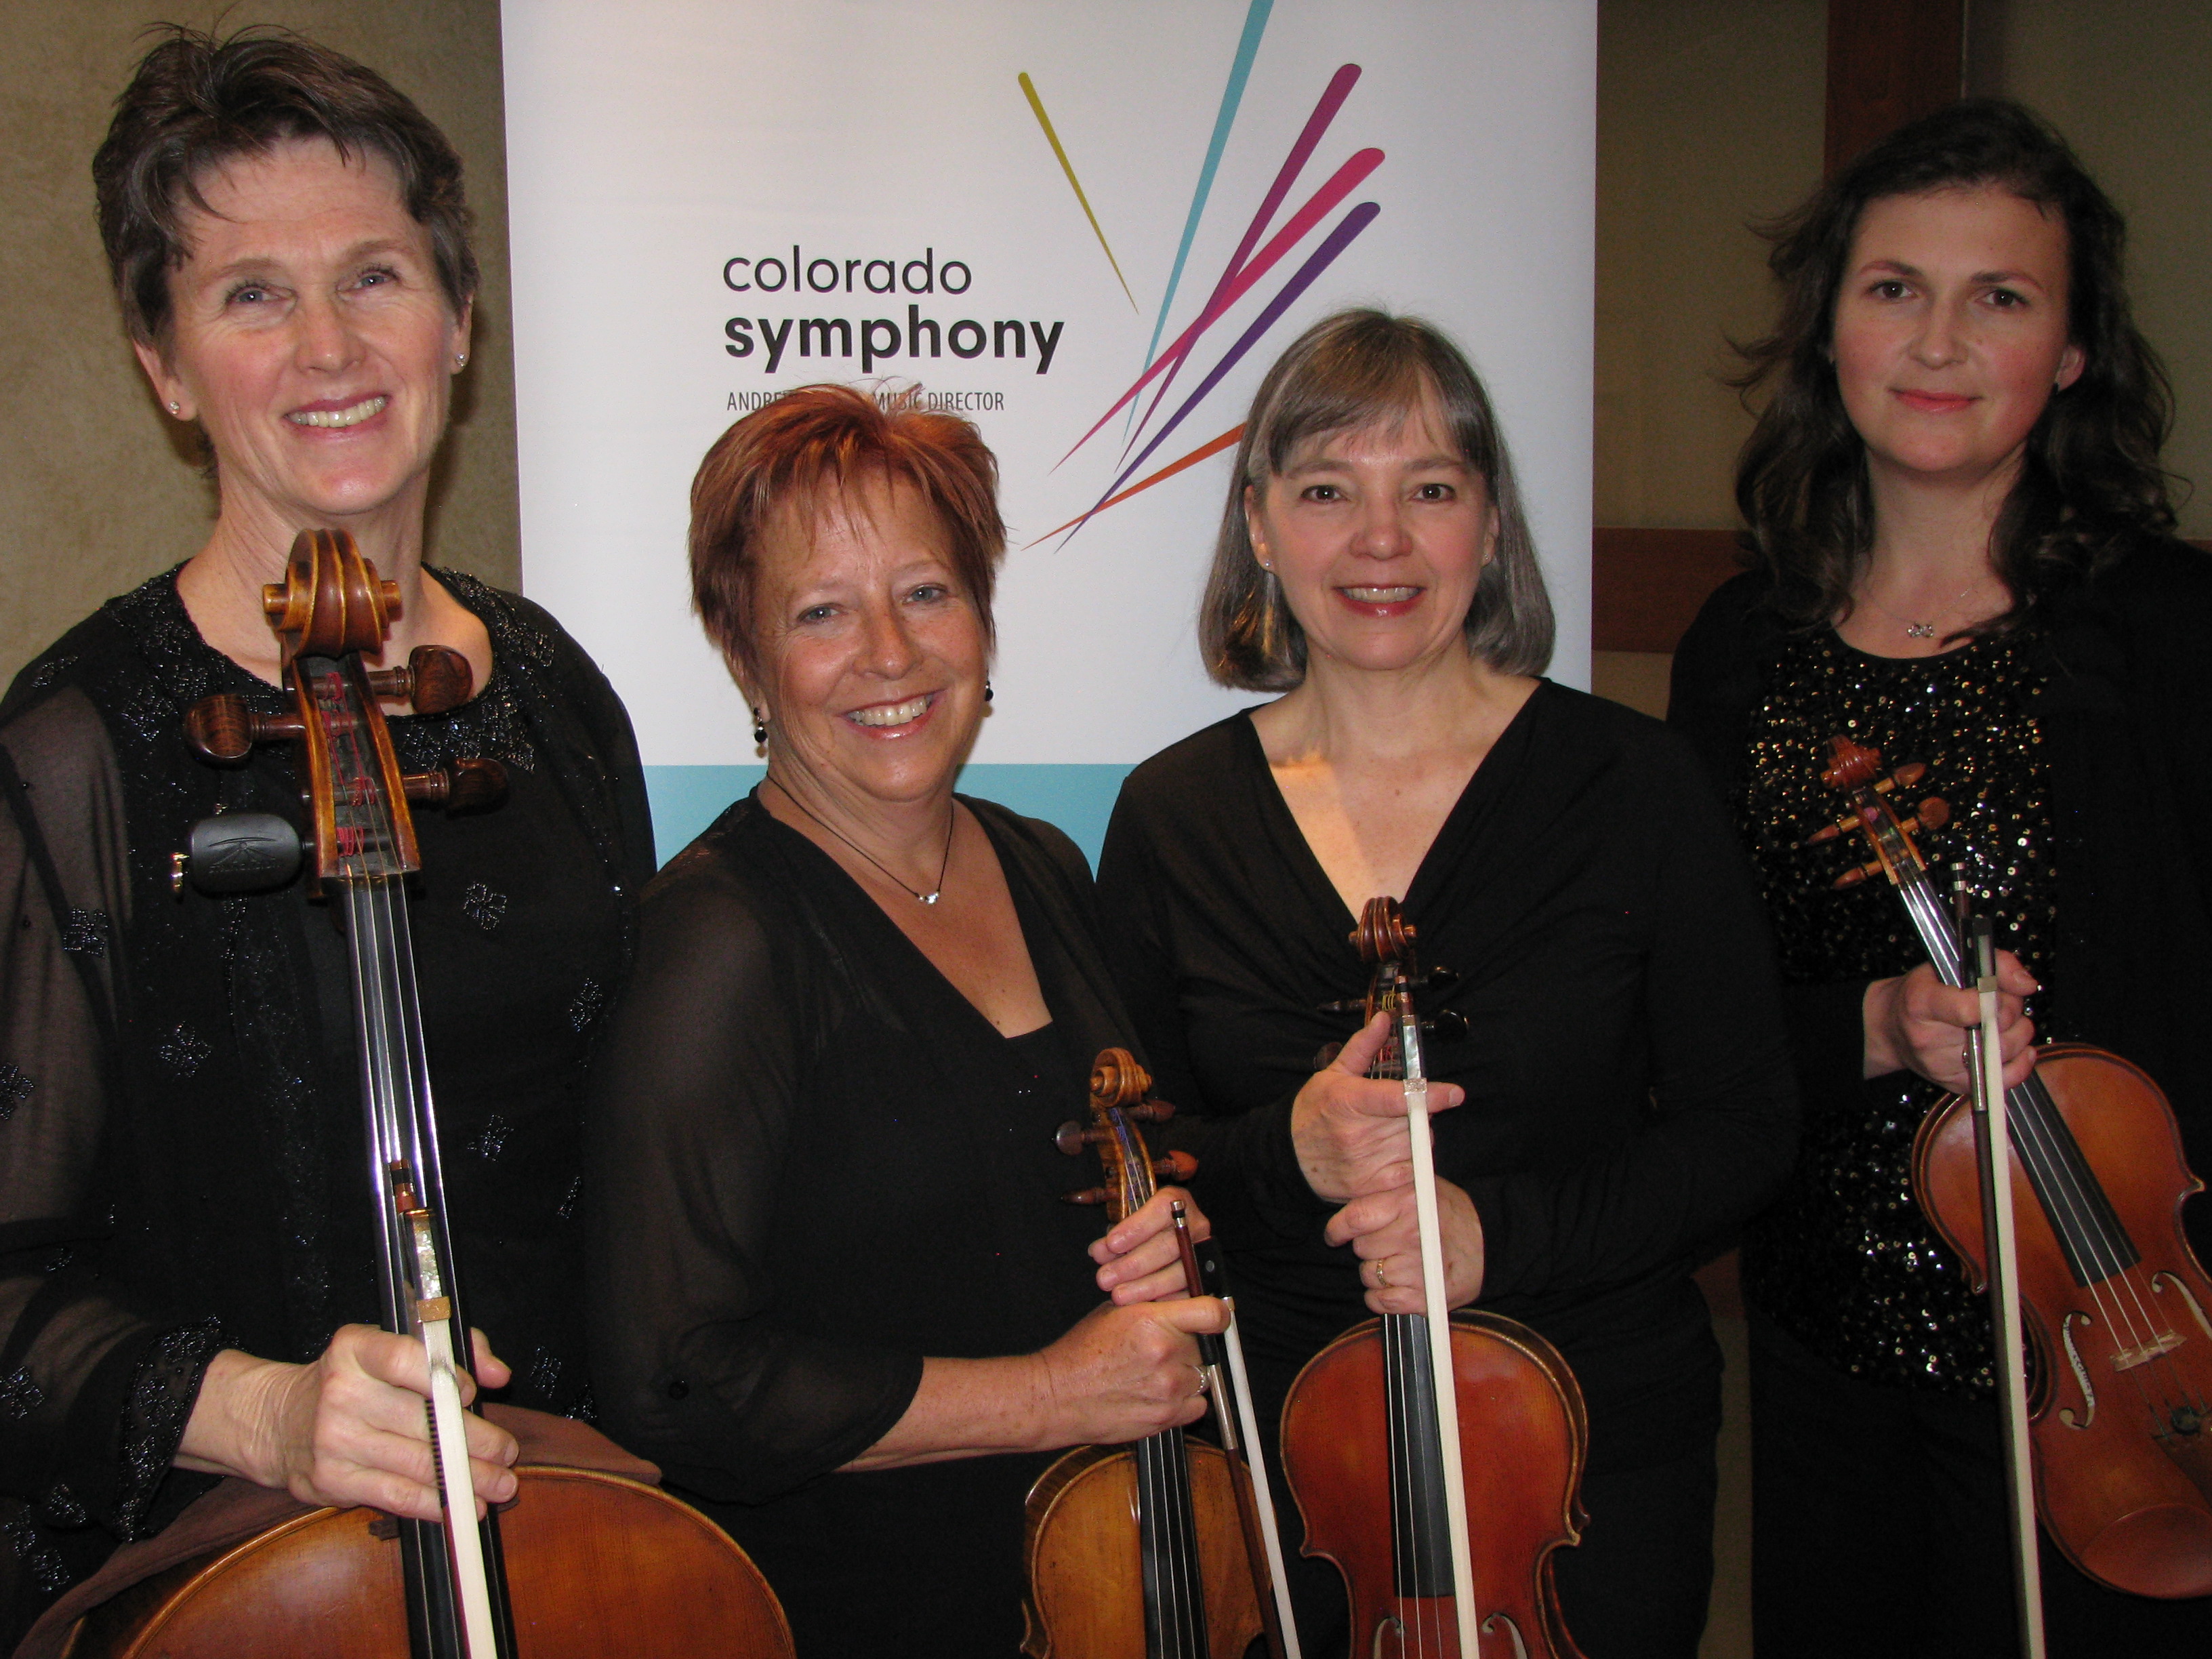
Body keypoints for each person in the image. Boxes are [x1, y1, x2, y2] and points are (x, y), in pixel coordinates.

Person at [0, 28, 653, 1644]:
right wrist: (265, 1414)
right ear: (162, 365)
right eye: (249, 296)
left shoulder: (557, 690)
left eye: (374, 275)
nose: (327, 345)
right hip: (238, 1588)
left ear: (457, 322)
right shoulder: (78, 747)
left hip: (587, 1564)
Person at [1093, 308, 1799, 1658]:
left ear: (1489, 521)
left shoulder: (1633, 786)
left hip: (1589, 1453)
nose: (1381, 539)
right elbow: (1152, 1155)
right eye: (1325, 492)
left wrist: (1499, 1238)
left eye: (1430, 489)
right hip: (1293, 1466)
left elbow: (1748, 1130)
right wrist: (1281, 1151)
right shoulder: (1174, 817)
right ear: (1257, 524)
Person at [1668, 98, 2212, 1656]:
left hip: (2124, 1349)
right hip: (1826, 1343)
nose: (1941, 340)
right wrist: (1871, 1025)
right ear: (1829, 327)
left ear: (2075, 353)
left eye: (2004, 298)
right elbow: (1695, 1022)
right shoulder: (1742, 651)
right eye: (1895, 287)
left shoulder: (2173, 635)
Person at [583, 384, 1229, 1657]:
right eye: (821, 612)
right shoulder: (720, 940)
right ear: (745, 654)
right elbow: (673, 1376)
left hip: (1097, 1583)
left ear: (984, 614)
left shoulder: (1042, 862)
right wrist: (1052, 1394)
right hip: (859, 1604)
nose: (890, 652)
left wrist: (1169, 1230)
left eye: (926, 592)